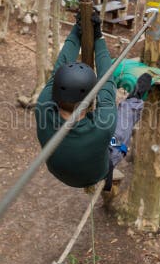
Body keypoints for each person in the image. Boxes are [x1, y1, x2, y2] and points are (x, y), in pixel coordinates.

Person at [34, 13, 153, 190]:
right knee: (119, 132)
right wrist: (98, 36)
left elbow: (62, 63)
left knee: (109, 132)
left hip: (58, 171)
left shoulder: (43, 105)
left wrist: (78, 28)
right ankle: (135, 99)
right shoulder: (103, 125)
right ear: (90, 99)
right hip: (97, 173)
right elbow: (106, 76)